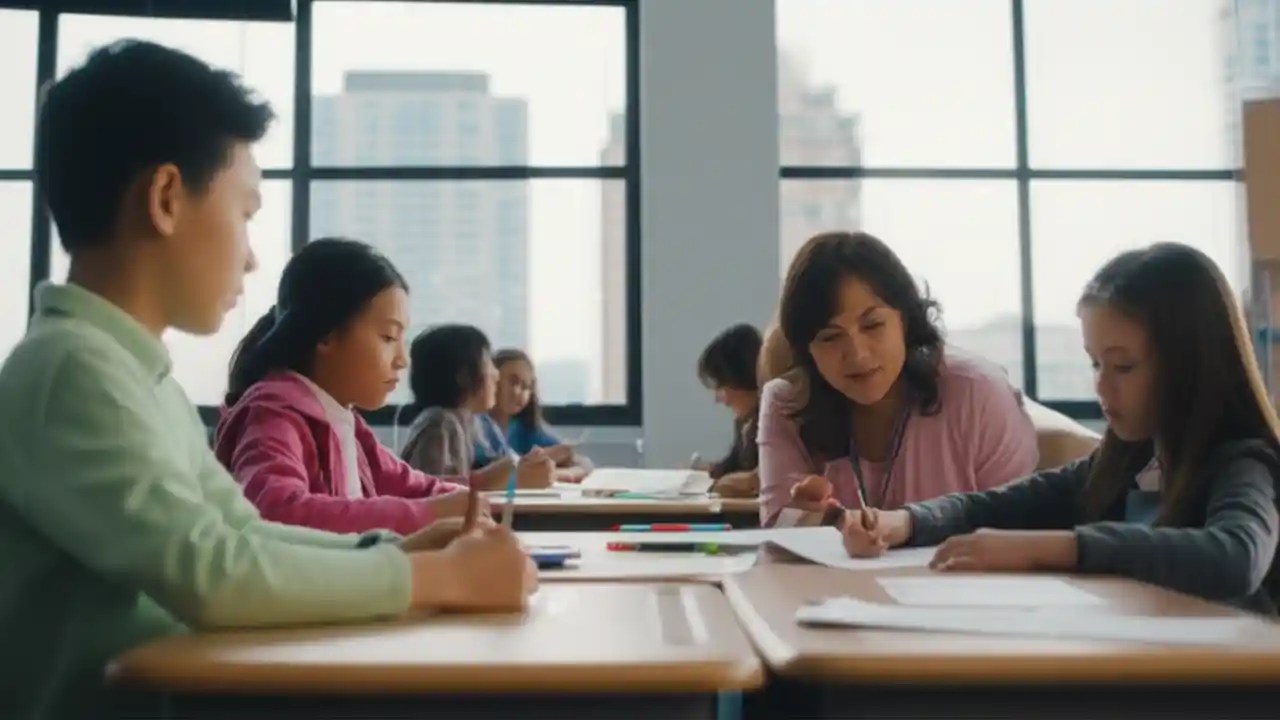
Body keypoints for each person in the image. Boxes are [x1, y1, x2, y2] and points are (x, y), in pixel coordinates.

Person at [0, 41, 534, 718]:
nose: (251, 259)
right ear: (166, 198)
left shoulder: (136, 376)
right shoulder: (72, 372)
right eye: (246, 213)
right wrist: (431, 577)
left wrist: (391, 549)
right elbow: (211, 572)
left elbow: (242, 531)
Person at [824, 244, 1280, 613]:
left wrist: (1057, 548)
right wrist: (905, 521)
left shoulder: (1242, 461)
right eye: (1095, 363)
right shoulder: (1129, 460)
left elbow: (1234, 556)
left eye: (1123, 366)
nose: (1102, 385)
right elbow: (1001, 506)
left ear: (1189, 367)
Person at [759, 231, 1037, 526]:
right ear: (807, 350)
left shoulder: (977, 393)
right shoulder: (787, 404)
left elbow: (1016, 528)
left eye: (872, 325)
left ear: (905, 320)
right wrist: (804, 520)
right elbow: (777, 534)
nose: (858, 355)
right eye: (830, 337)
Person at [215, 238, 491, 535]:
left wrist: (465, 500)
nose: (402, 360)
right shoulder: (273, 416)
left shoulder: (348, 425)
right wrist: (429, 513)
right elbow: (275, 511)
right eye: (388, 337)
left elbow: (414, 486)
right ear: (325, 335)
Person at [401, 326, 554, 490]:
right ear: (463, 376)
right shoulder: (441, 424)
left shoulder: (467, 422)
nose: (496, 375)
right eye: (488, 363)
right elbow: (427, 490)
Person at [490, 348, 594, 483]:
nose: (519, 392)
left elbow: (581, 462)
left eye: (526, 387)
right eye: (513, 382)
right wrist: (537, 464)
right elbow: (489, 473)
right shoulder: (478, 426)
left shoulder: (524, 427)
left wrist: (558, 472)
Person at [696, 324, 764, 498]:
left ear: (741, 380)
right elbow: (732, 467)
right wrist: (709, 471)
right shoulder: (745, 423)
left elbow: (764, 477)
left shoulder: (776, 422)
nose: (719, 400)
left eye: (722, 387)